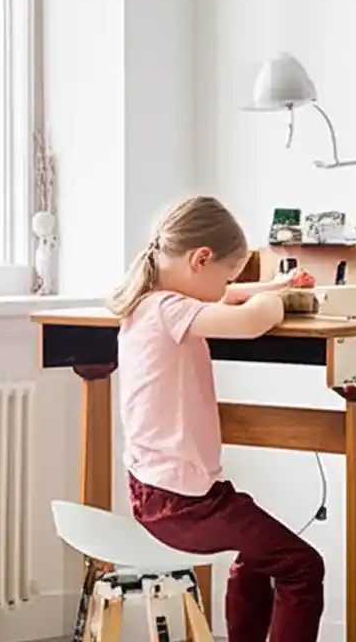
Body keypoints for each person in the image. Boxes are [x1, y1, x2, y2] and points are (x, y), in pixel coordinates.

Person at [108, 196, 323, 641]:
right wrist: (282, 303)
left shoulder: (148, 303)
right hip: (184, 502)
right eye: (227, 271)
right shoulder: (171, 310)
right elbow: (247, 321)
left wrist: (271, 286)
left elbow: (225, 296)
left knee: (256, 558)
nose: (229, 284)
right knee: (302, 566)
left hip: (161, 492)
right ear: (200, 259)